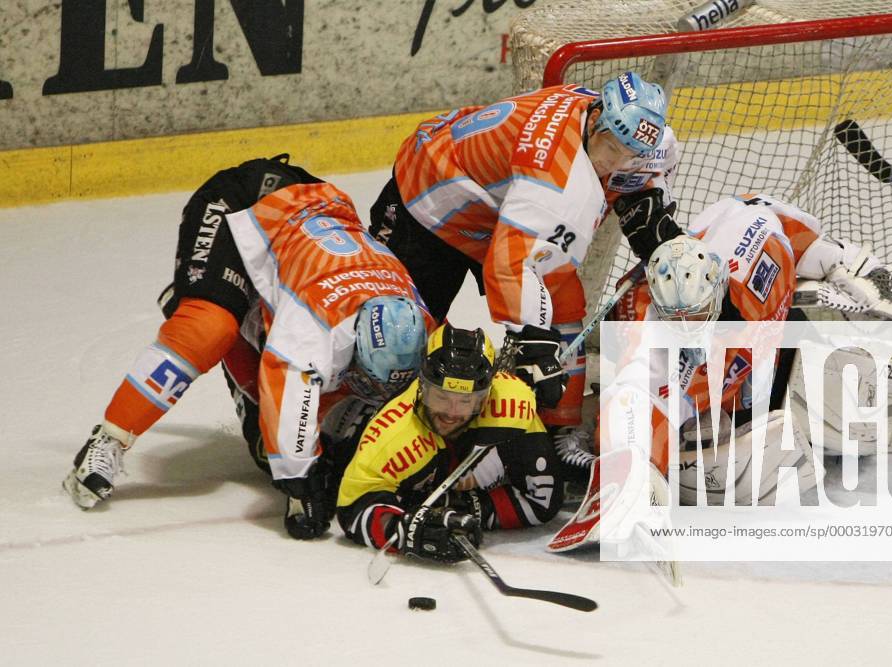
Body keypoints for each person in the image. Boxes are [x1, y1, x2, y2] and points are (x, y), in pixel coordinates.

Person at [63, 155, 434, 540]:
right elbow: (289, 396)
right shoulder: (314, 330)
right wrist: (299, 484)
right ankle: (110, 439)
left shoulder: (417, 321)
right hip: (242, 207)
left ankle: (240, 310)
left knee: (323, 400)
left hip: (310, 220)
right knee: (209, 329)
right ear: (354, 340)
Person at [368, 71, 681, 449]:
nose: (615, 164)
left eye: (629, 155)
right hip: (430, 201)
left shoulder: (610, 123)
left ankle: (558, 432)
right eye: (611, 149)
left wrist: (644, 203)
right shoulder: (556, 177)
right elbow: (510, 263)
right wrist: (532, 340)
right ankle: (375, 431)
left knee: (562, 303)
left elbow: (641, 172)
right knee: (400, 333)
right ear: (597, 120)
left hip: (496, 203)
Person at [568, 193, 892, 498]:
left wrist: (847, 263)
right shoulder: (654, 344)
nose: (689, 327)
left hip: (765, 359)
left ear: (717, 284)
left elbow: (762, 210)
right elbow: (639, 402)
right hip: (719, 401)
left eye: (699, 314)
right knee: (748, 466)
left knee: (854, 394)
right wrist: (630, 476)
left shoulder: (758, 244)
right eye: (678, 320)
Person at [336, 324, 564, 562]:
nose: (451, 413)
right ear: (422, 387)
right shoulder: (392, 438)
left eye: (466, 400)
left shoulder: (511, 402)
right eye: (442, 397)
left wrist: (462, 507)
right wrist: (404, 530)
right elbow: (352, 508)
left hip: (448, 472)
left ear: (486, 395)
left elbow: (542, 501)